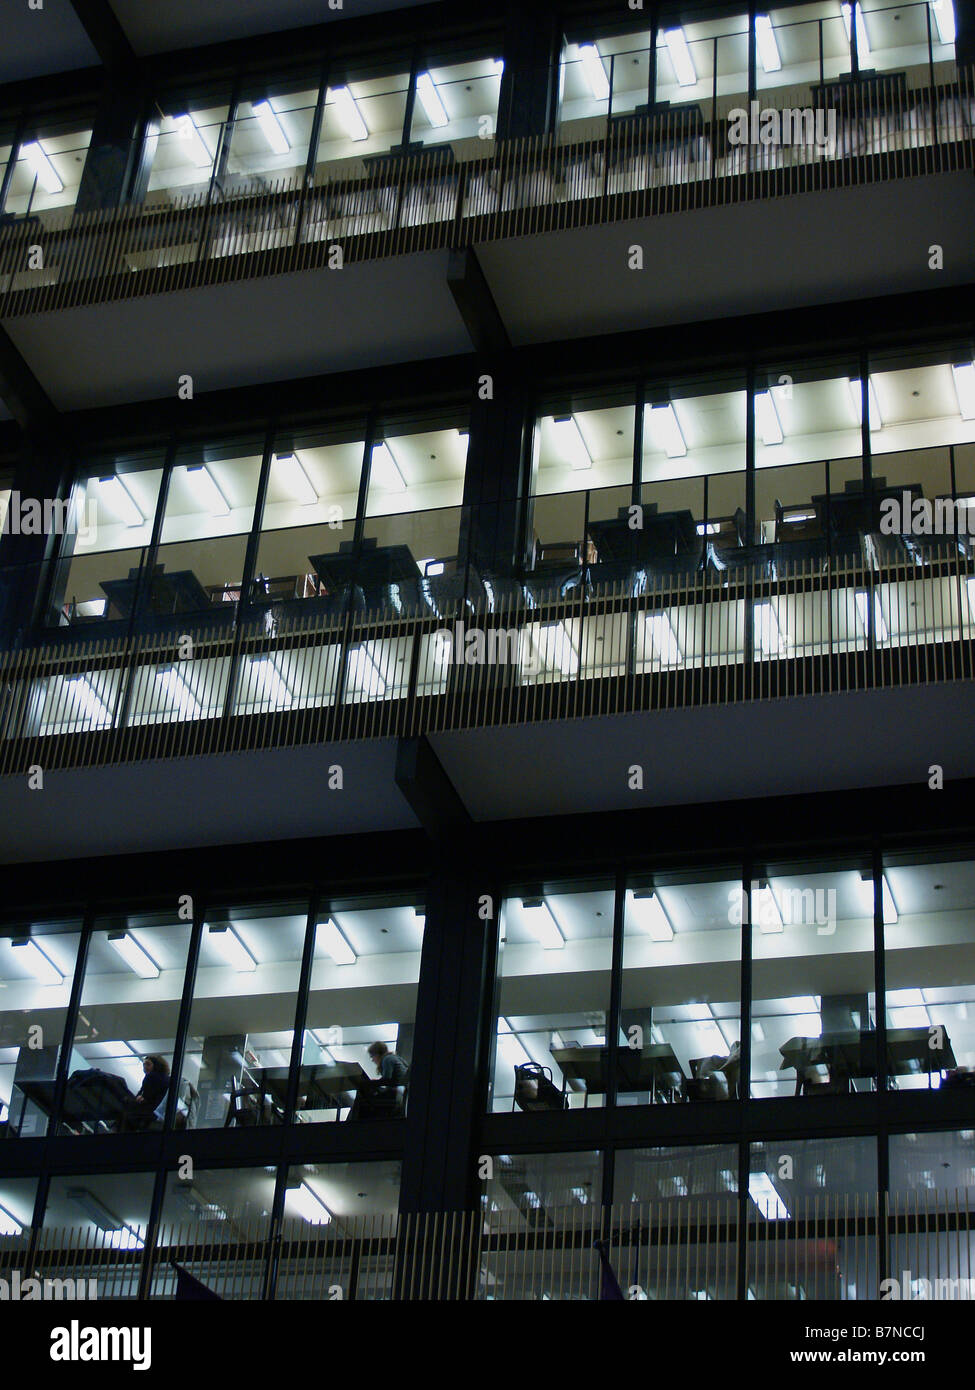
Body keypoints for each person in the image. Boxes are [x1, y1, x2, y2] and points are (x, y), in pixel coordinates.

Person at [119, 1055, 170, 1131]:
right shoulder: (166, 1078)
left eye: (148, 1064)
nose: (145, 1067)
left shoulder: (151, 1077)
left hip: (149, 1112)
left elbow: (145, 1097)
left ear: (156, 1066)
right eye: (144, 1064)